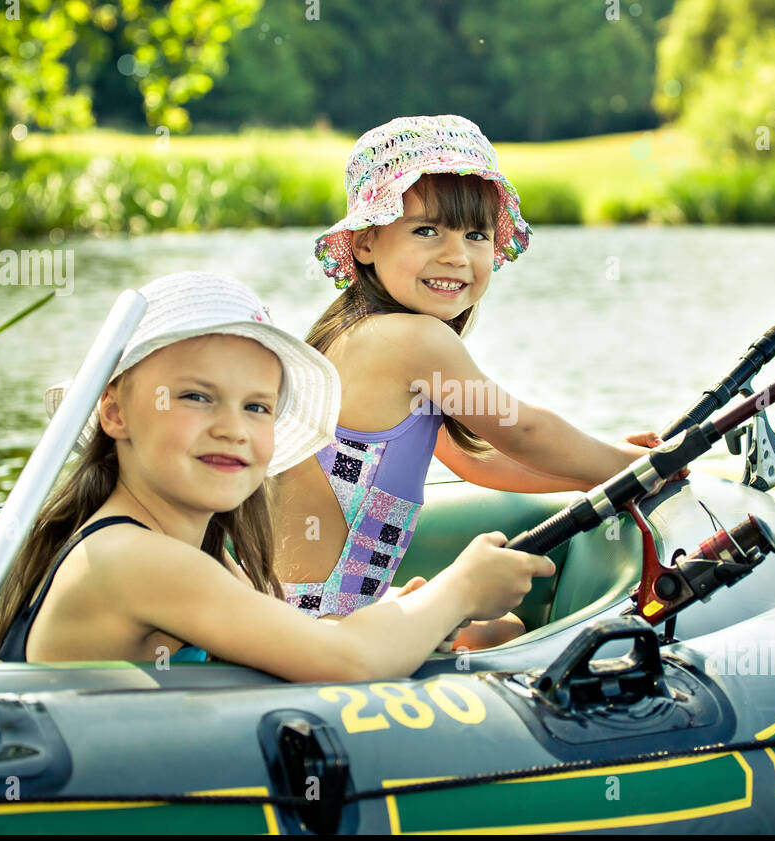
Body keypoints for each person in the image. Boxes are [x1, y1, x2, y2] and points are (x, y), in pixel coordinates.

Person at [0, 271, 555, 681]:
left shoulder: (187, 547)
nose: (233, 428)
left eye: (257, 407)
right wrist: (460, 589)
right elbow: (347, 663)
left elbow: (309, 636)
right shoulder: (134, 557)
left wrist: (411, 614)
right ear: (115, 412)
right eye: (197, 396)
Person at [275, 115, 664, 648]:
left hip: (313, 604)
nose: (455, 255)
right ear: (365, 244)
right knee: (501, 637)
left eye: (475, 234)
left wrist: (601, 470)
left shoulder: (353, 333)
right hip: (318, 623)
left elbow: (476, 458)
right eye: (426, 230)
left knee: (501, 628)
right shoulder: (411, 341)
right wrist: (636, 468)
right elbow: (519, 431)